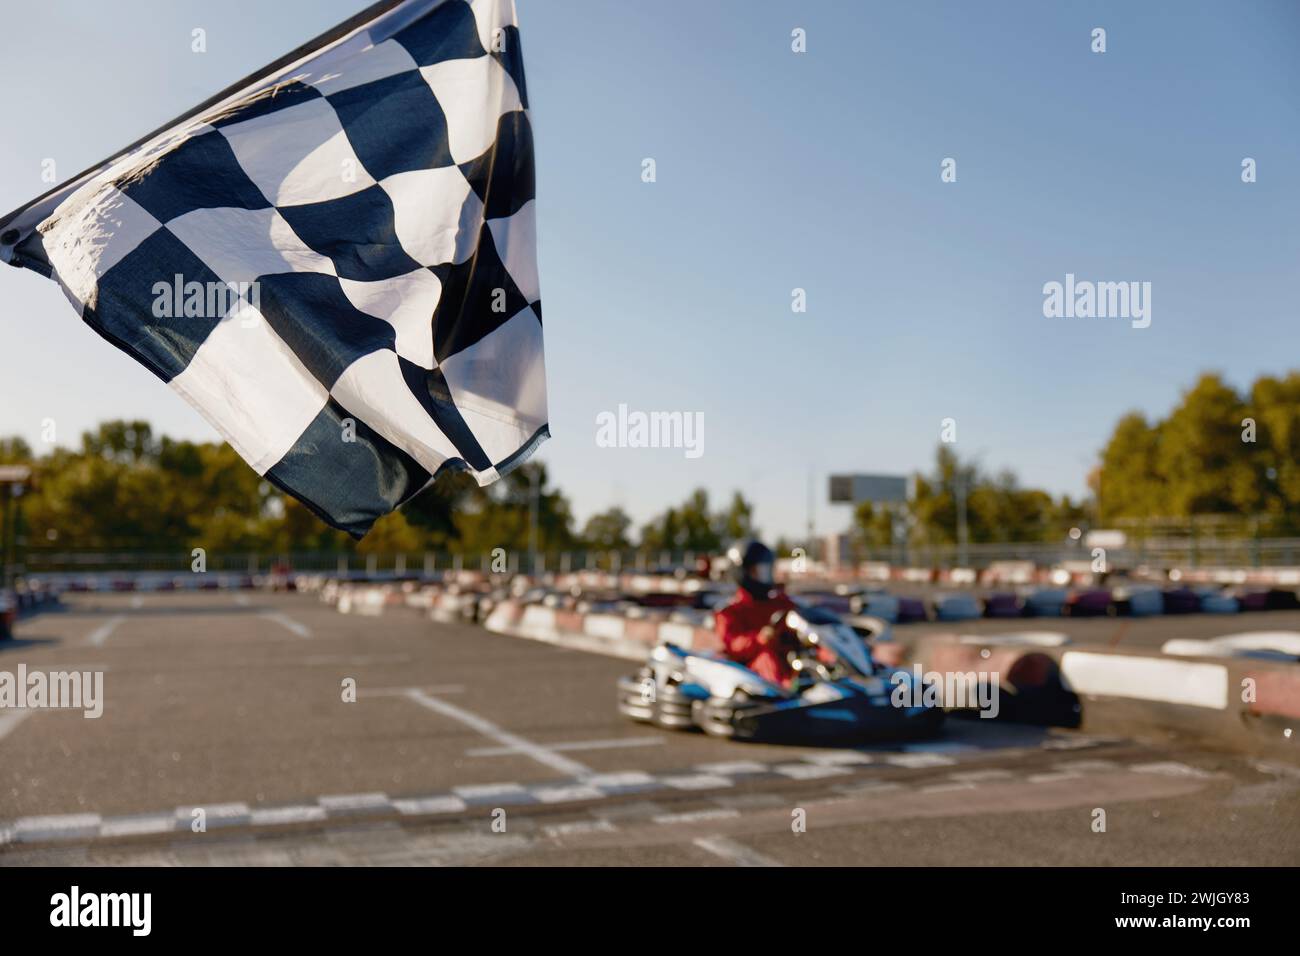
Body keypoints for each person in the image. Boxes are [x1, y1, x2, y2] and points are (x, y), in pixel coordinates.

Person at [713, 539, 799, 686]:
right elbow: (733, 645)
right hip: (751, 671)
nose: (765, 577)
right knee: (766, 659)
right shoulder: (730, 612)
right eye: (759, 571)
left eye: (767, 571)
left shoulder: (780, 603)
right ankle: (786, 696)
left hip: (787, 661)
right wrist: (759, 638)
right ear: (742, 572)